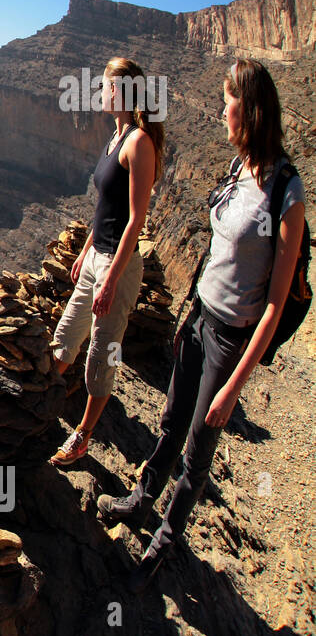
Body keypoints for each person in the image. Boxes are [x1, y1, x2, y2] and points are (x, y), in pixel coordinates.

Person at [99, 58, 305, 592]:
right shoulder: (238, 170)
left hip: (233, 338)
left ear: (250, 109)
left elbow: (276, 305)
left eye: (226, 104)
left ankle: (164, 546)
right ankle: (141, 503)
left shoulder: (287, 193)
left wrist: (234, 385)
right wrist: (188, 312)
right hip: (199, 319)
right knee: (170, 421)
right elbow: (215, 252)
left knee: (196, 449)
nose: (218, 113)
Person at [48, 57, 164, 466]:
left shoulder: (139, 143)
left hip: (119, 265)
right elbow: (105, 207)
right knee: (66, 335)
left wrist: (111, 279)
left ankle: (82, 435)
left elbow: (135, 219)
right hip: (96, 257)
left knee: (102, 355)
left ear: (127, 93)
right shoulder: (113, 139)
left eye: (108, 87)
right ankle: (39, 404)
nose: (102, 93)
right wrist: (84, 252)